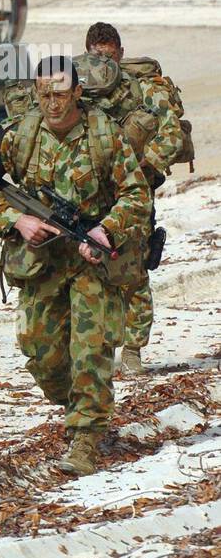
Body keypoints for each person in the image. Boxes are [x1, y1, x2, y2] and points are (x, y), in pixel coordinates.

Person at [0, 56, 150, 476]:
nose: (52, 103)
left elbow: (137, 196)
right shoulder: (16, 136)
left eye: (61, 94)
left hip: (92, 264)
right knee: (40, 352)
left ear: (78, 93)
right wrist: (16, 220)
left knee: (91, 349)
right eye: (44, 93)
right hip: (41, 262)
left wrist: (105, 231)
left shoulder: (105, 137)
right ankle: (79, 406)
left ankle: (86, 437)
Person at [79, 22, 184, 375]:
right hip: (92, 196)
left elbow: (171, 136)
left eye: (109, 57)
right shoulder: (78, 92)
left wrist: (141, 168)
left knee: (134, 272)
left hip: (135, 192)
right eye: (97, 57)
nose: (103, 64)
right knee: (91, 270)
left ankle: (133, 350)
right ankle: (100, 346)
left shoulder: (143, 90)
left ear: (120, 55)